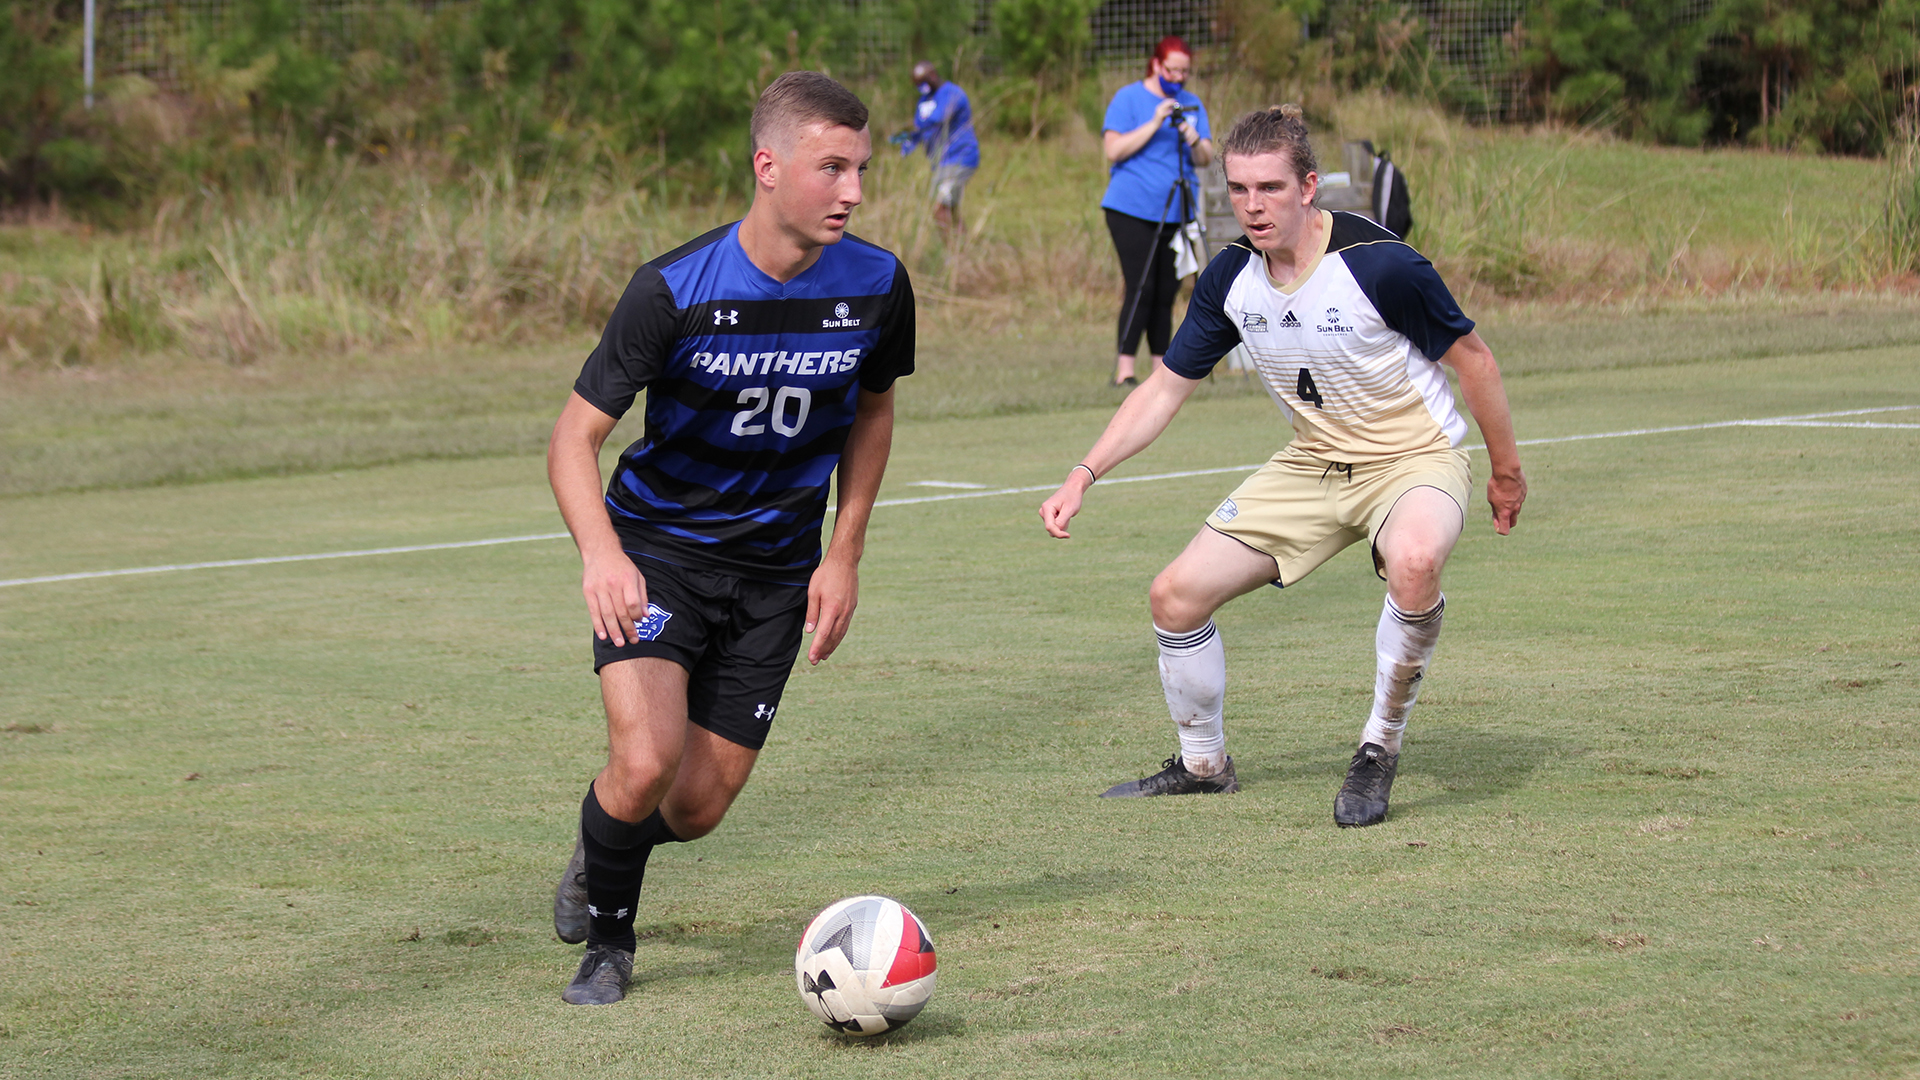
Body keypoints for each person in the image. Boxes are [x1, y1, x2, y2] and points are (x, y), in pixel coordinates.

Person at [1040, 104, 1527, 827]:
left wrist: (1505, 473)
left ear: (1308, 187)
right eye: (1239, 189)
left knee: (1415, 562)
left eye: (1270, 188)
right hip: (1313, 465)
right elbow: (1164, 390)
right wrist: (1083, 474)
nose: (1253, 206)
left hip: (1412, 460)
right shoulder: (1230, 277)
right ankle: (1204, 766)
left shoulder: (1380, 264)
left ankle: (1378, 749)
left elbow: (1476, 362)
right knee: (1174, 597)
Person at [545, 71, 914, 1005]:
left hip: (778, 573)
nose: (853, 191)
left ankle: (603, 844)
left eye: (861, 170)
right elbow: (573, 438)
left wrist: (844, 552)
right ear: (767, 165)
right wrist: (603, 555)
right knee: (644, 760)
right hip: (659, 554)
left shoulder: (878, 284)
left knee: (697, 807)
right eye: (831, 168)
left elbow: (874, 411)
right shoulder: (673, 288)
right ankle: (610, 943)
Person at [1100, 35, 1213, 387]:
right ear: (1156, 64)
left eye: (1184, 72)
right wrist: (1154, 122)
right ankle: (1125, 369)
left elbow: (1206, 157)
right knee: (1141, 286)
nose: (1177, 78)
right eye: (1172, 70)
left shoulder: (1192, 103)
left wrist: (1191, 136)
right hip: (1131, 209)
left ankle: (1160, 370)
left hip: (1178, 211)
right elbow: (1113, 150)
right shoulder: (1128, 98)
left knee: (1167, 290)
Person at [892, 61, 979, 234]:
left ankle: (952, 249)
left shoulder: (952, 94)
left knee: (940, 210)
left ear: (933, 76)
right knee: (950, 209)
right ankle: (964, 245)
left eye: (923, 82)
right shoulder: (924, 100)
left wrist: (912, 125)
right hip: (940, 162)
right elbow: (920, 128)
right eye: (917, 84)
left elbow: (938, 118)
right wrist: (908, 140)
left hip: (959, 158)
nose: (921, 87)